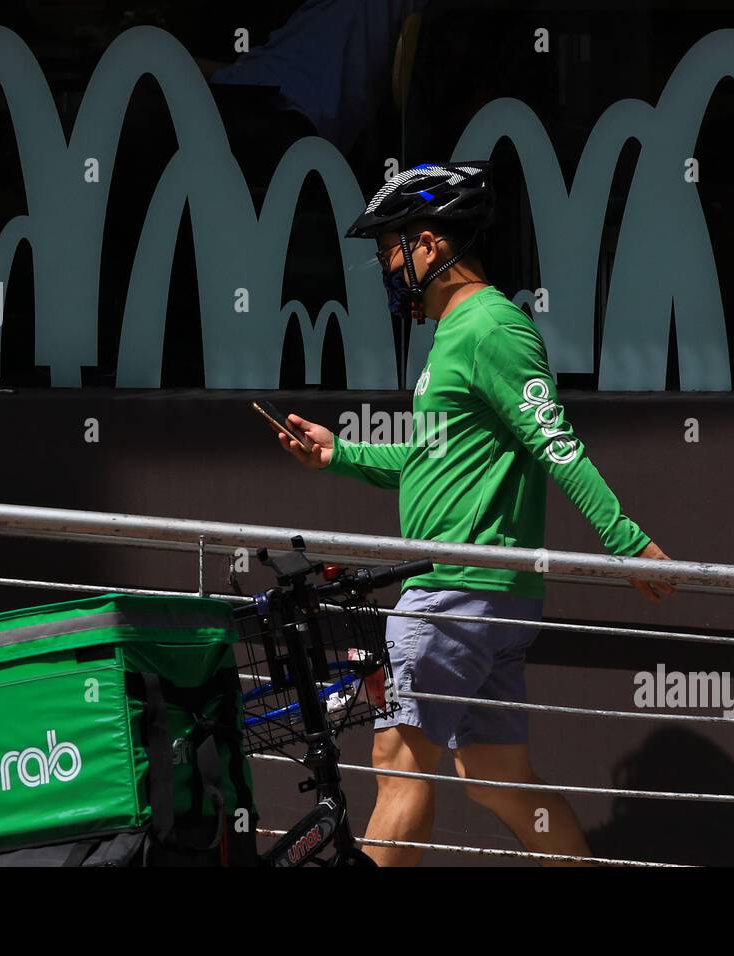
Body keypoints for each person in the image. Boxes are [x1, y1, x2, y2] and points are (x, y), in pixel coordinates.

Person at [275, 161, 674, 866]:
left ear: (429, 245)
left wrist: (626, 541)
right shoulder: (454, 335)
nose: (389, 271)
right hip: (487, 595)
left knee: (399, 770)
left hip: (455, 593)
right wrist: (338, 455)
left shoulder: (489, 326)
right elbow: (431, 459)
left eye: (390, 252)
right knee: (497, 779)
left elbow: (557, 442)